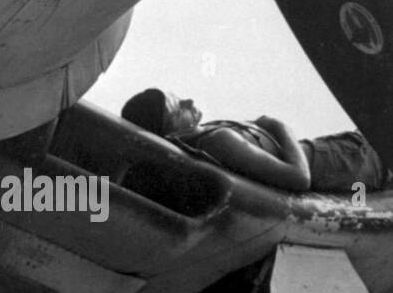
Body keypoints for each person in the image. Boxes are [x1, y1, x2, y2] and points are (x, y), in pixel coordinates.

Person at [120, 87, 390, 194]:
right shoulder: (218, 141)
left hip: (341, 160)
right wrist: (279, 127)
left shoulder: (206, 142)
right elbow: (299, 178)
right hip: (346, 161)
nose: (189, 100)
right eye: (178, 107)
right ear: (168, 133)